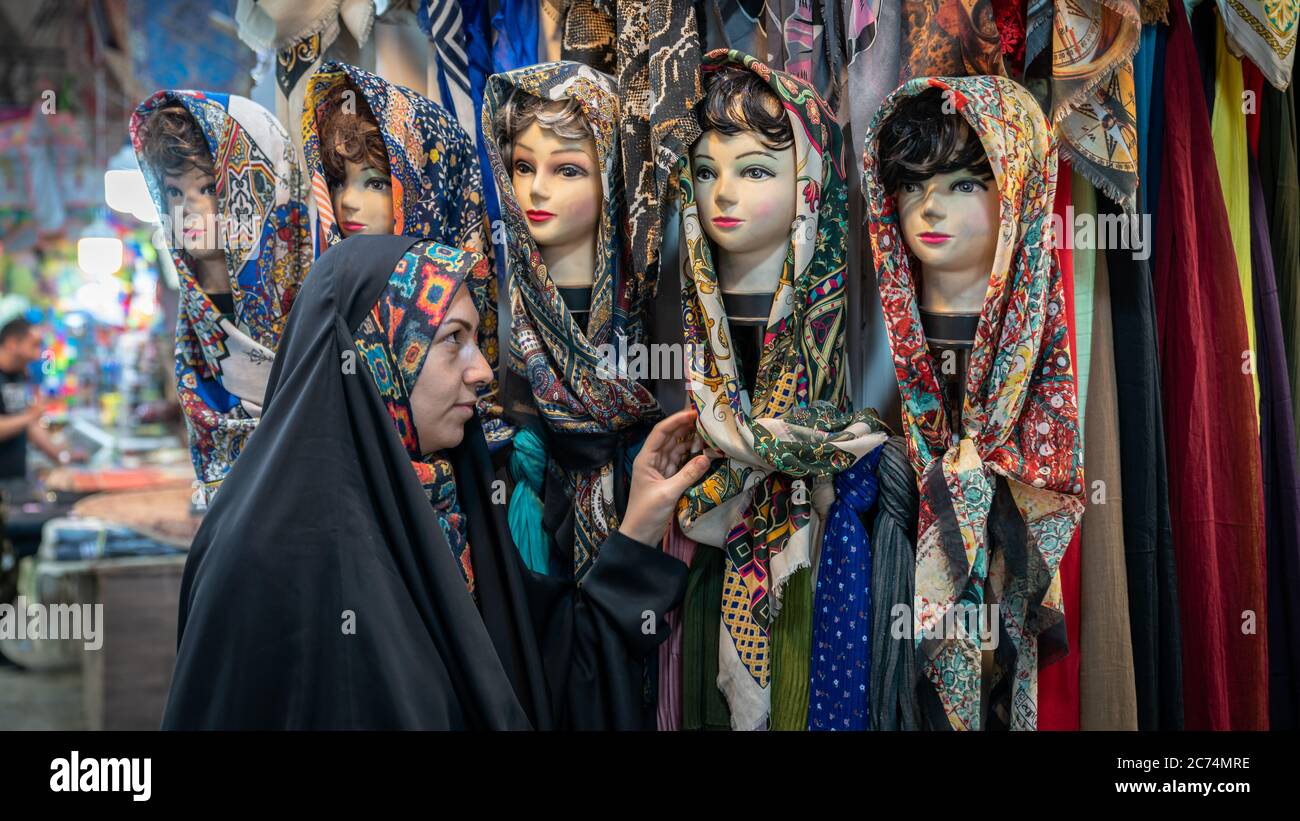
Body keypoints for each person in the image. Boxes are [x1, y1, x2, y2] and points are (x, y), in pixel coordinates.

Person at [161, 234, 709, 730]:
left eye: (477, 339)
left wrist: (638, 528)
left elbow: (548, 684)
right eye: (453, 340)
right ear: (378, 358)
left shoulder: (454, 508)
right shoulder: (260, 558)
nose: (482, 371)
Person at [130, 91, 312, 501]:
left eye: (208, 188)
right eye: (174, 192)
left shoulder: (310, 306)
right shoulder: (193, 319)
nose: (188, 210)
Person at [0, 318, 78, 481]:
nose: (37, 355)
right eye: (34, 345)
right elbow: (27, 419)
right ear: (12, 343)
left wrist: (62, 456)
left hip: (14, 480)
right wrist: (30, 415)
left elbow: (29, 425)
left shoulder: (20, 375)